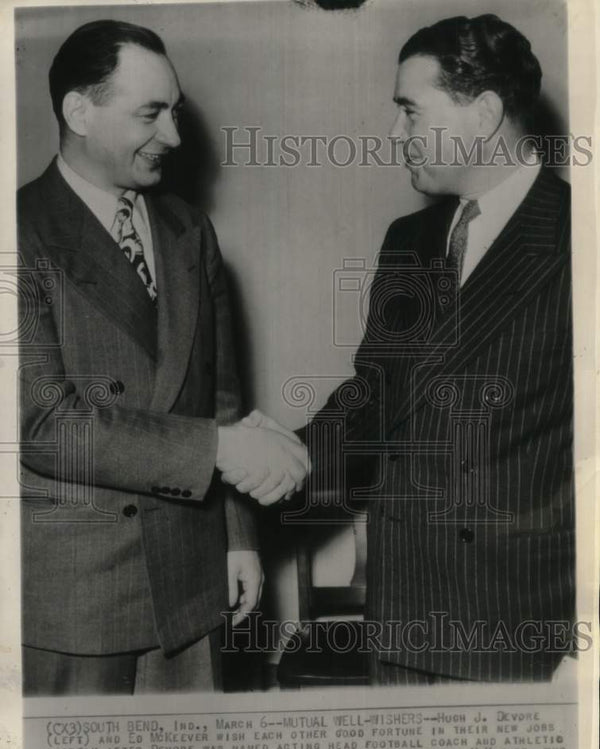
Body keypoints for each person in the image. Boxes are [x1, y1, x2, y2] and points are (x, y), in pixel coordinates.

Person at [249, 14, 575, 683]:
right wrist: (278, 458)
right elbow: (376, 400)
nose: (395, 133)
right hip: (402, 618)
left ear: (483, 113)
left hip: (522, 630)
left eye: (410, 110)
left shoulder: (582, 235)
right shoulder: (409, 240)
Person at [18, 19, 309, 695]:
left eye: (175, 112)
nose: (174, 136)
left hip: (192, 578)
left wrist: (239, 537)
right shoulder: (19, 233)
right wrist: (219, 451)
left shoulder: (188, 229)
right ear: (79, 112)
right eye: (150, 114)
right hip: (77, 600)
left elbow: (221, 394)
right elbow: (47, 425)